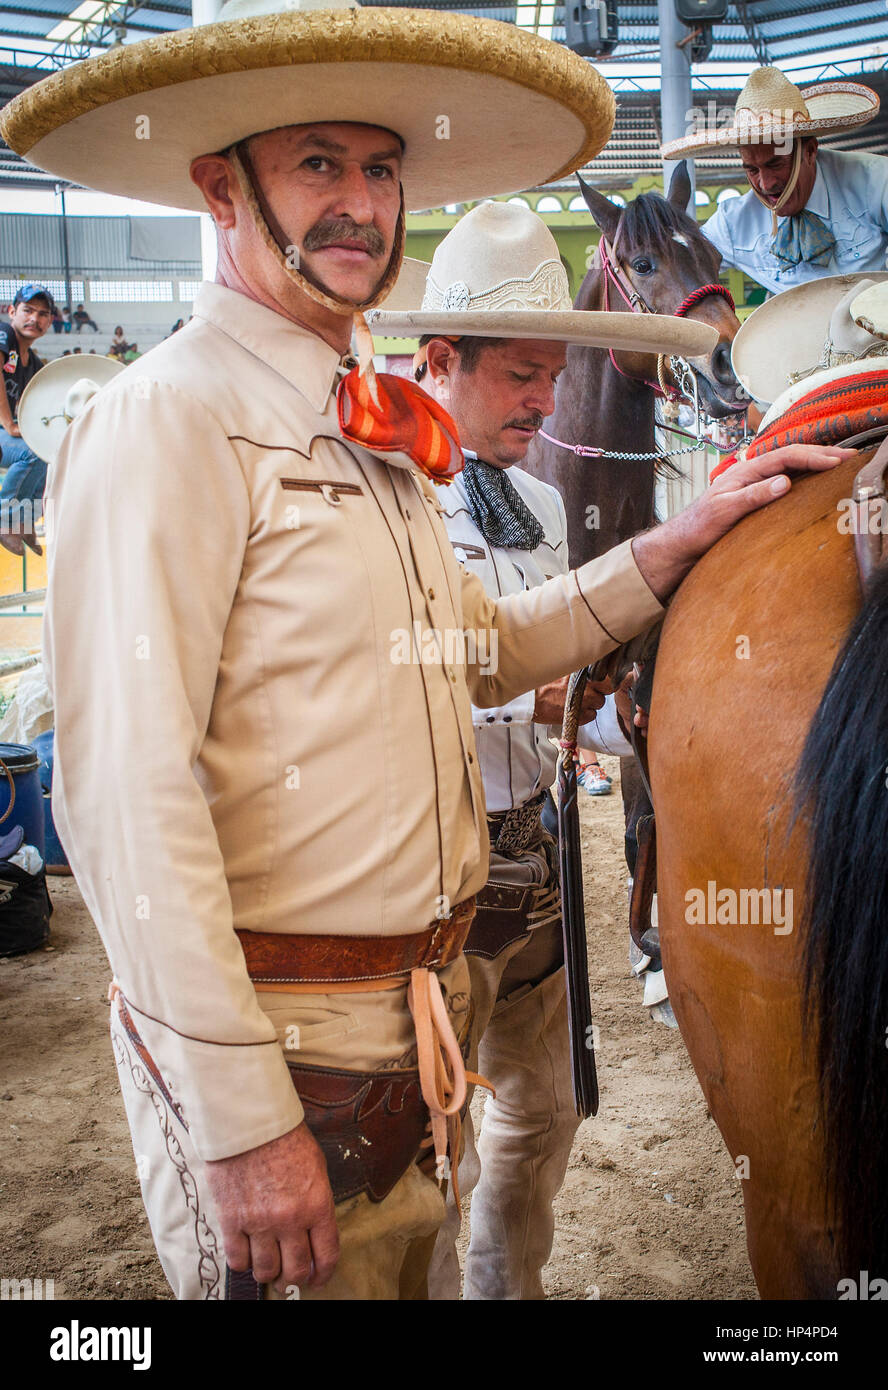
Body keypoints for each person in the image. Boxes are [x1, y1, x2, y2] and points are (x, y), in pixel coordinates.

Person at [1, 0, 850, 1303]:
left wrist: (682, 541)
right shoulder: (163, 420)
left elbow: (481, 647)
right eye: (319, 164)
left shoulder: (372, 432)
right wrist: (239, 1118)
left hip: (419, 1028)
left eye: (381, 166)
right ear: (221, 188)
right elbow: (122, 793)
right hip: (291, 1057)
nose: (361, 203)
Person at [373, 200, 688, 1298]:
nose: (546, 401)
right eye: (519, 375)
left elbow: (563, 695)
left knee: (545, 1110)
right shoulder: (381, 501)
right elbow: (397, 688)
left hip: (537, 863)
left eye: (554, 375)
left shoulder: (548, 504)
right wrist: (536, 699)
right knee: (430, 1132)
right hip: (432, 878)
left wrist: (625, 718)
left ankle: (504, 1291)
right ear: (439, 360)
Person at [662, 67, 886, 296]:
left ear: (809, 151)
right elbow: (675, 258)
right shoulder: (733, 222)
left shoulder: (876, 182)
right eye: (752, 169)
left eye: (776, 164)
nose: (766, 184)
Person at [0, 283, 52, 554]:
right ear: (12, 311)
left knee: (48, 455)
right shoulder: (4, 334)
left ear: (50, 321)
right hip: (1, 428)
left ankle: (26, 522)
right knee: (30, 454)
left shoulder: (33, 363)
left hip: (3, 432)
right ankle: (5, 522)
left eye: (43, 314)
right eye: (28, 310)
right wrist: (9, 423)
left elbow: (36, 406)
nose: (35, 318)